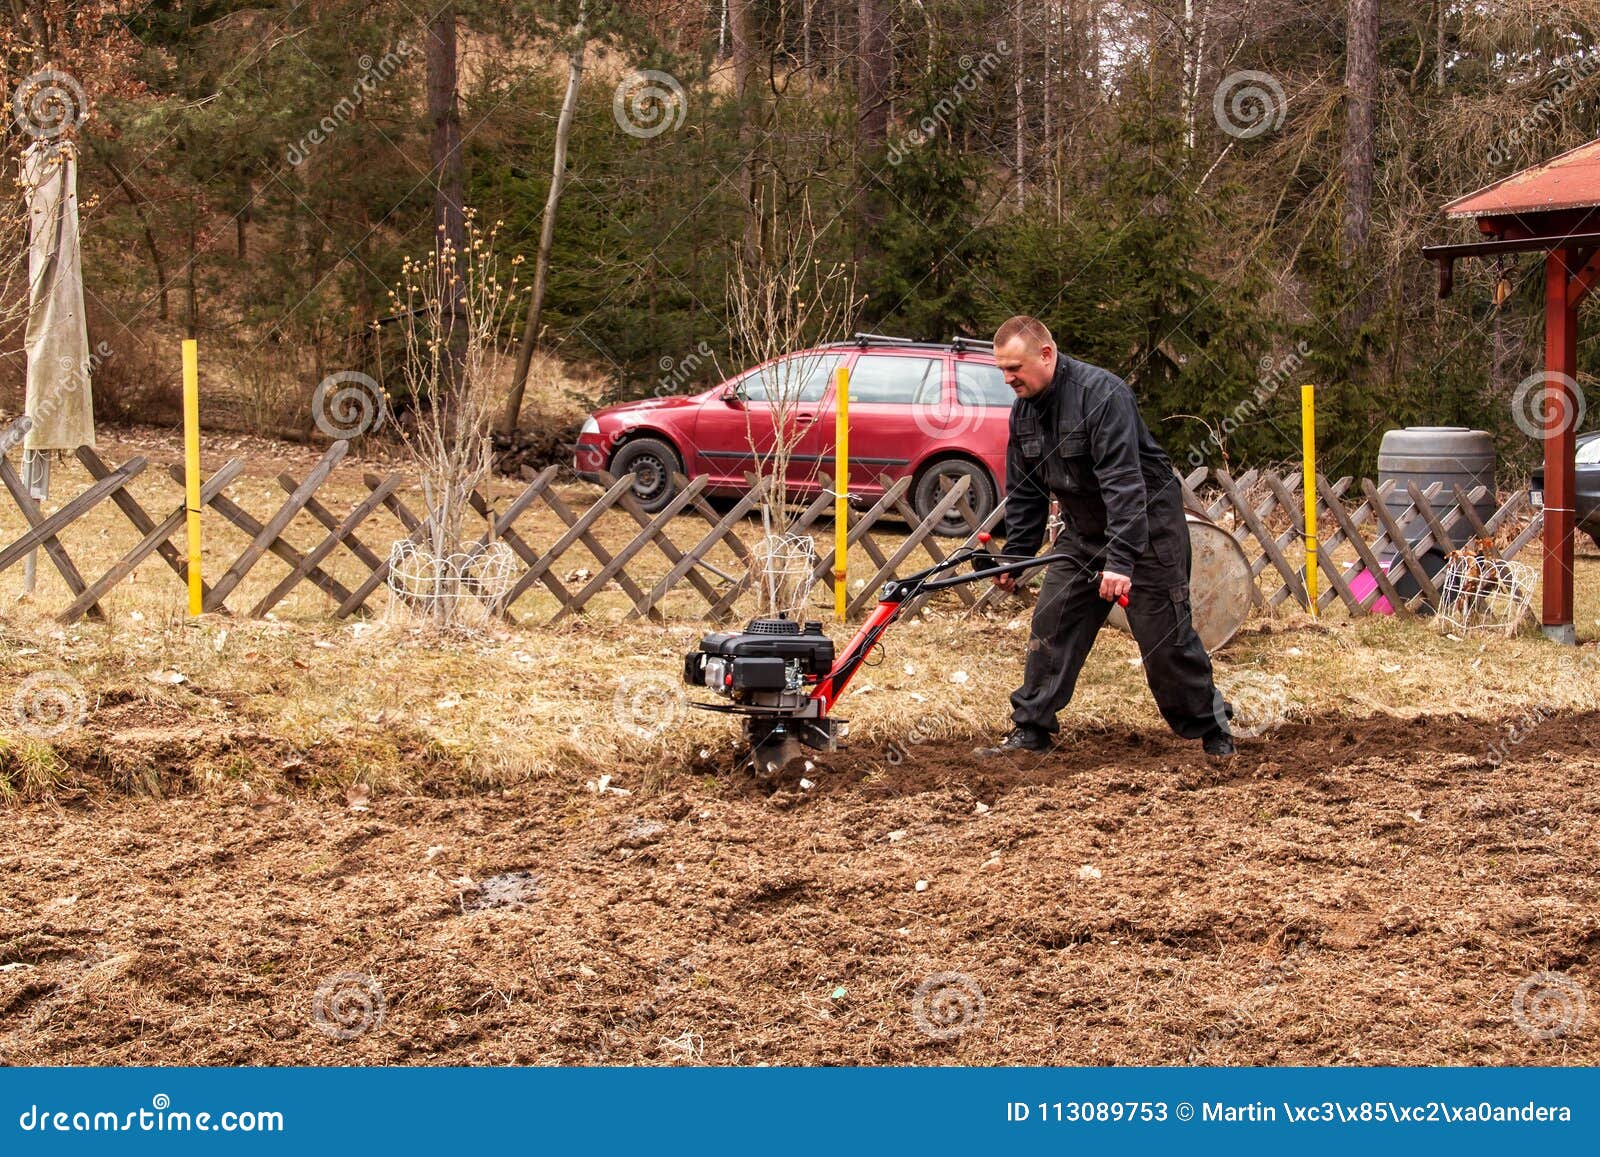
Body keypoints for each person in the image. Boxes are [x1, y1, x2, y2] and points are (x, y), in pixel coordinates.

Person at [973, 315, 1235, 760]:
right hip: (1082, 534)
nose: (1007, 378)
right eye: (1001, 369)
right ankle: (1031, 730)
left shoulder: (1102, 395)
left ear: (1046, 354)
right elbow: (1026, 492)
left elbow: (1123, 482)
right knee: (1052, 623)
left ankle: (1212, 726)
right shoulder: (1023, 415)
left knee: (1162, 638)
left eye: (1014, 368)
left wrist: (1121, 560)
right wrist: (1015, 559)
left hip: (1147, 530)